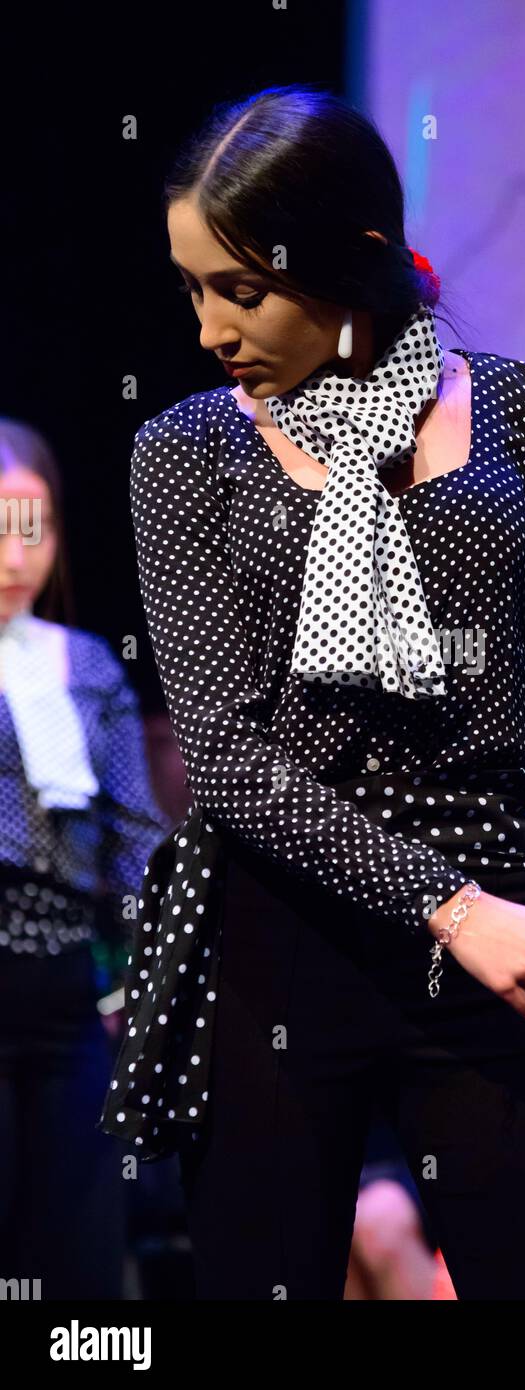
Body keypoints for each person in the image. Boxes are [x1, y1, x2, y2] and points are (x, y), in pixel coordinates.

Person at [99, 85, 525, 1302]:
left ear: (359, 258)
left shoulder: (518, 411)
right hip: (284, 939)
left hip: (510, 941)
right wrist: (446, 904)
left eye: (242, 290)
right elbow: (228, 757)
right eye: (192, 289)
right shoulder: (186, 448)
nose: (208, 330)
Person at [0, 417, 168, 1298]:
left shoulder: (84, 663)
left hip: (68, 995)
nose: (15, 556)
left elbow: (137, 831)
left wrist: (136, 976)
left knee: (78, 1248)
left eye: (35, 530)